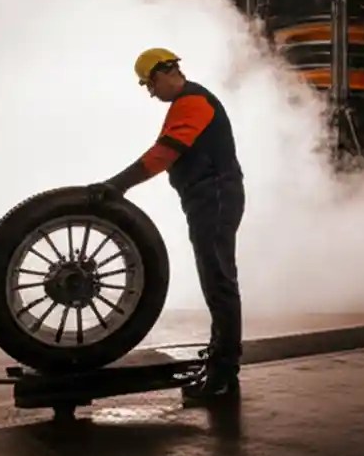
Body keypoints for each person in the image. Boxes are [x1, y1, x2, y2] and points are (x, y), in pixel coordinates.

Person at [88, 48, 246, 404]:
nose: (150, 92)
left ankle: (224, 374)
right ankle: (220, 359)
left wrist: (117, 185)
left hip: (214, 197)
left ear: (163, 73)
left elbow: (164, 153)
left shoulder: (193, 101)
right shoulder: (187, 103)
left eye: (149, 84)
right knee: (215, 278)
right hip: (208, 197)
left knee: (219, 280)